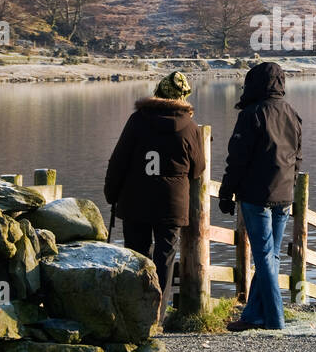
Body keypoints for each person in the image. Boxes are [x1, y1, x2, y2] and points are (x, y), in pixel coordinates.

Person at [104, 71, 205, 315]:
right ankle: (157, 314)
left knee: (137, 255)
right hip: (171, 204)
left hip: (135, 200)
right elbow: (199, 168)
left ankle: (134, 311)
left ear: (158, 92)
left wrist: (111, 194)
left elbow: (119, 161)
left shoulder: (137, 120)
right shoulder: (190, 128)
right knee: (165, 258)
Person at [217, 61, 303, 332]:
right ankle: (253, 316)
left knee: (265, 256)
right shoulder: (292, 113)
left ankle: (276, 319)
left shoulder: (252, 114)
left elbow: (238, 159)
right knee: (271, 255)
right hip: (284, 194)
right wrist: (290, 183)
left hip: (256, 196)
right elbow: (297, 157)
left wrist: (226, 191)